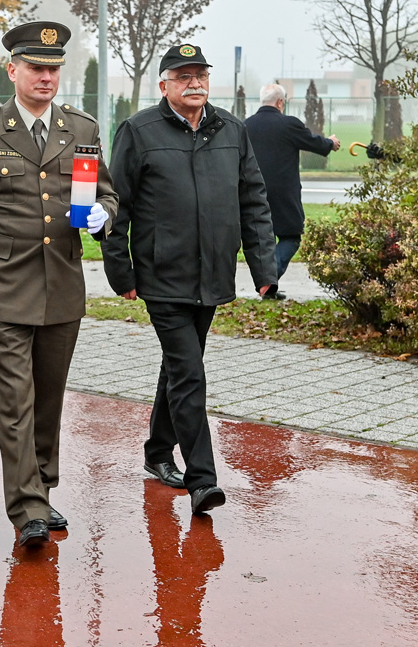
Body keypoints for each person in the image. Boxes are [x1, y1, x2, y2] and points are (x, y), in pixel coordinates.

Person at [0, 21, 117, 548]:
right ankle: (27, 508)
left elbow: (107, 193)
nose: (46, 77)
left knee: (48, 399)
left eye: (54, 69)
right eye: (36, 68)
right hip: (3, 284)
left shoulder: (81, 128)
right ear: (12, 70)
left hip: (61, 282)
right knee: (16, 399)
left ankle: (41, 487)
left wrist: (104, 216)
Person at [103, 45, 277, 516]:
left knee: (181, 368)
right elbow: (117, 205)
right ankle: (203, 479)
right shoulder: (139, 131)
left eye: (200, 74)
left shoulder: (232, 130)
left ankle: (158, 451)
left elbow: (253, 201)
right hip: (162, 276)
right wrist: (120, 271)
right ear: (164, 85)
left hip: (212, 274)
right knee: (190, 373)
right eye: (183, 76)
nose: (194, 83)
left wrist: (264, 269)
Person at [246, 83, 340, 293]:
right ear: (280, 102)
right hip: (283, 194)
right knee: (291, 236)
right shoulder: (288, 124)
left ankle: (268, 285)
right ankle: (268, 281)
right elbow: (313, 142)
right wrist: (330, 142)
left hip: (252, 192)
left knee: (263, 238)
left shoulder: (245, 126)